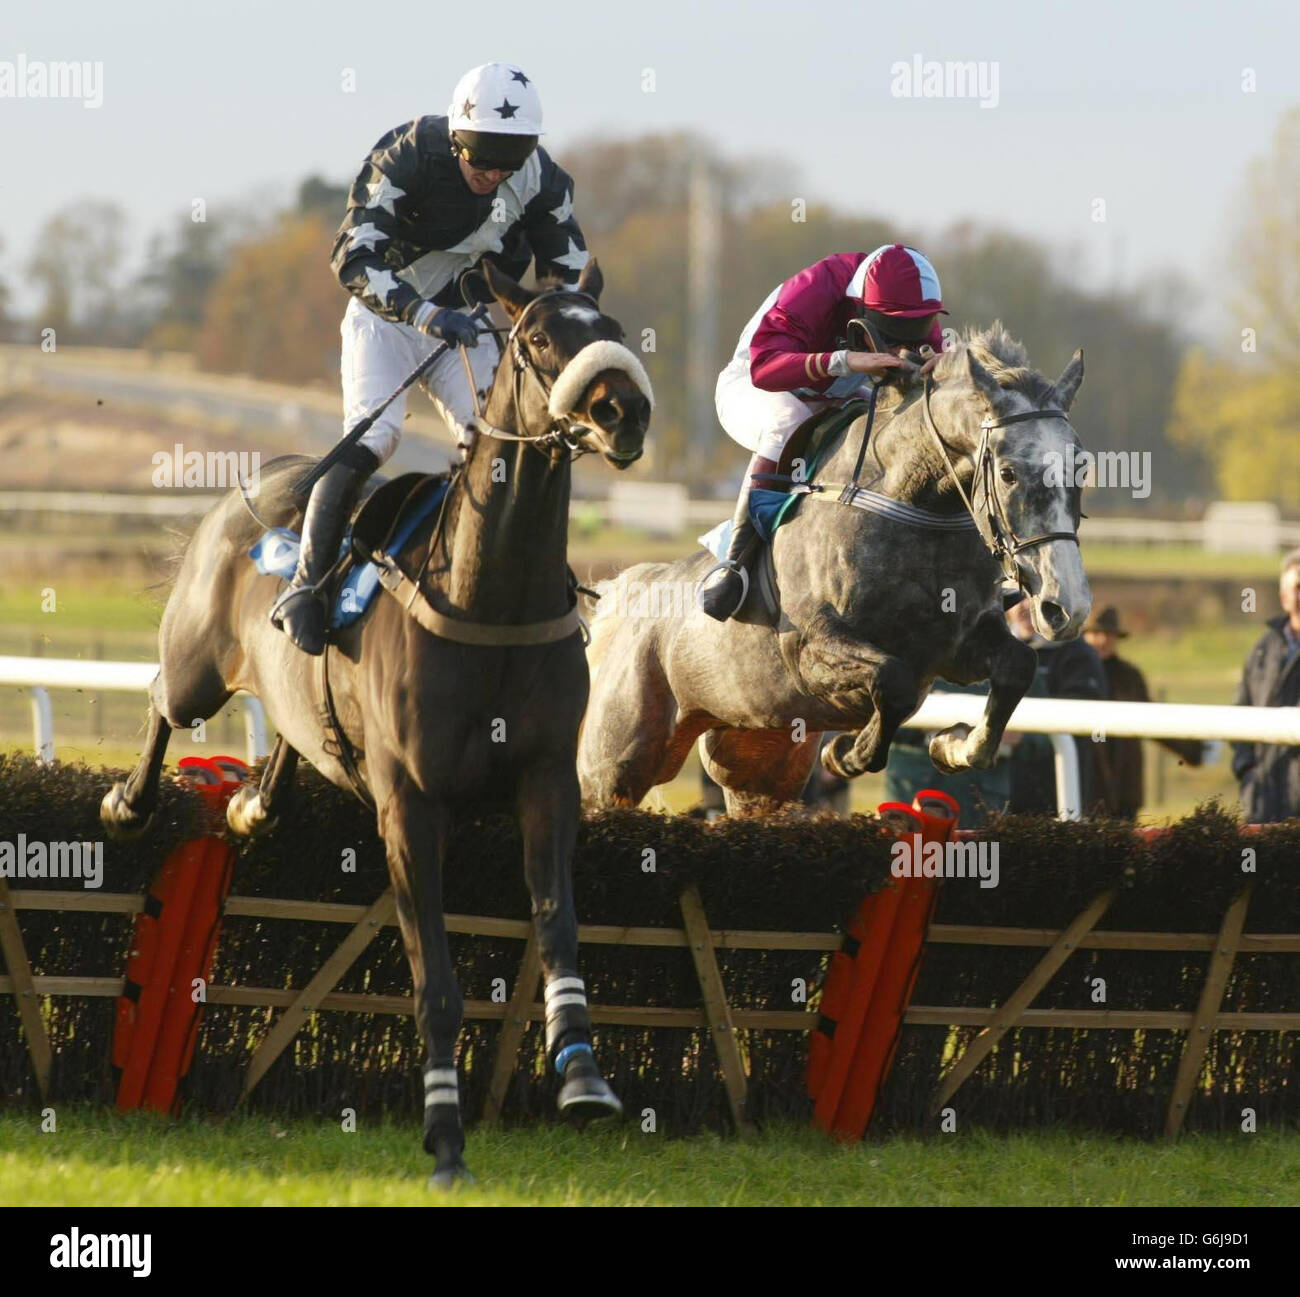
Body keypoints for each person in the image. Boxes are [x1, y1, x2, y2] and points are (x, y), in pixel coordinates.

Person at [272, 61, 589, 655]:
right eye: (480, 161)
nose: (492, 176)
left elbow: (567, 272)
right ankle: (306, 584)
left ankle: (530, 587)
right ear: (455, 139)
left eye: (507, 166)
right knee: (377, 436)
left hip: (465, 331)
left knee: (510, 445)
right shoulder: (408, 152)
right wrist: (423, 314)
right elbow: (352, 257)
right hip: (387, 321)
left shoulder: (543, 180)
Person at [697, 244, 948, 621]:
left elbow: (931, 376)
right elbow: (764, 369)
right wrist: (843, 361)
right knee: (789, 416)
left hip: (831, 392)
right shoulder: (817, 287)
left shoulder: (910, 306)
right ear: (861, 308)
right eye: (896, 333)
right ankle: (736, 564)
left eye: (915, 331)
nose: (905, 344)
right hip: (755, 386)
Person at [1083, 606, 1203, 820]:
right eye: (1096, 633)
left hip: (1124, 789)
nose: (1102, 640)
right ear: (1085, 635)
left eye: (1108, 634)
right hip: (1085, 788)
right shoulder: (1075, 674)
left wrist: (1191, 748)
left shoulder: (1130, 676)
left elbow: (1153, 722)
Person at [1005, 598, 1107, 814]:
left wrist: (1023, 737)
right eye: (1016, 594)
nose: (1025, 605)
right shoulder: (991, 647)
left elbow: (1085, 716)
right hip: (997, 796)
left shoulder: (1078, 654)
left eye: (1033, 594)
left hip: (1057, 794)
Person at [1231, 549, 1300, 823]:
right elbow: (1240, 710)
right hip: (1263, 798)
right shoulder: (1263, 648)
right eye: (1296, 588)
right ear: (1283, 597)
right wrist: (1246, 768)